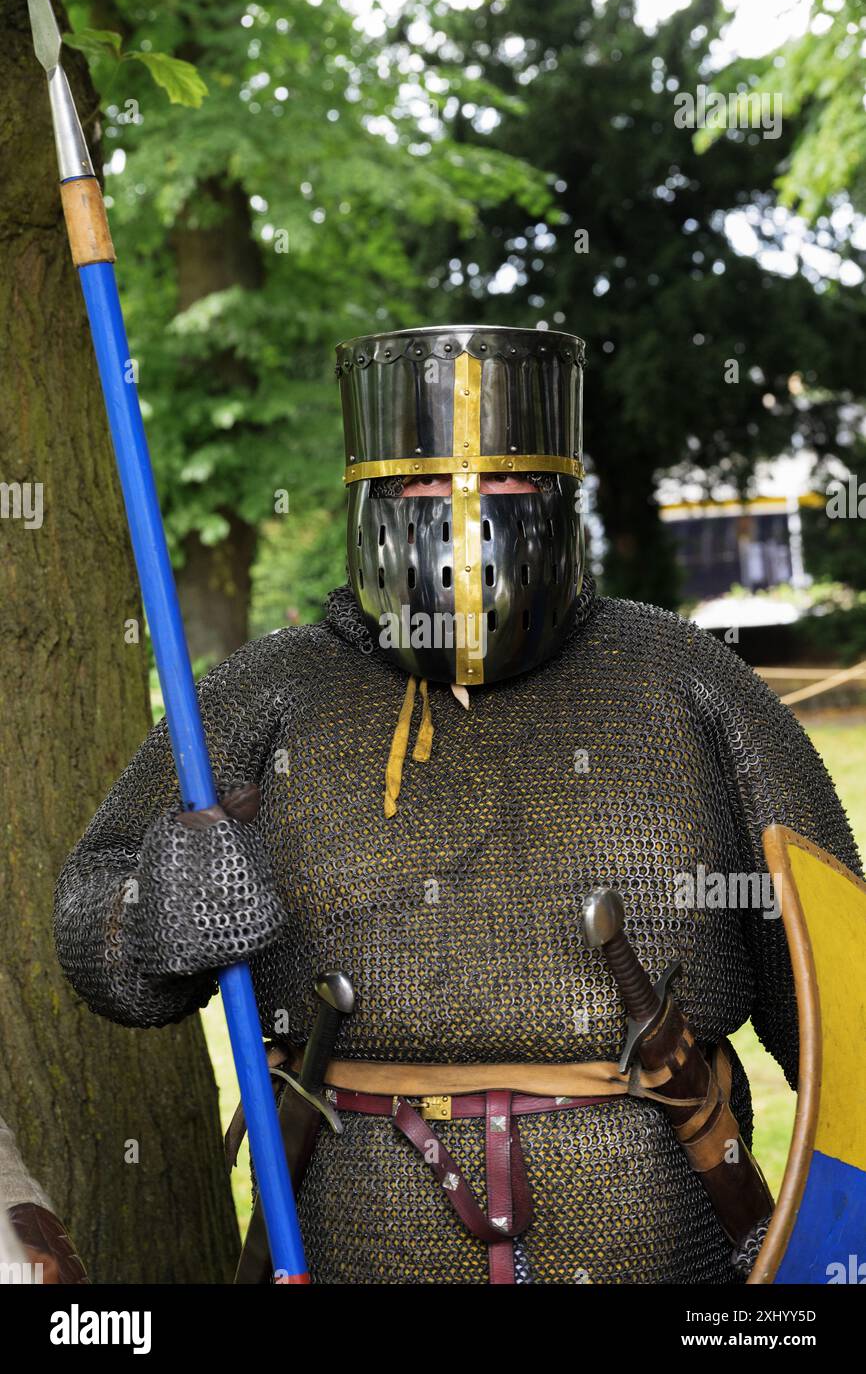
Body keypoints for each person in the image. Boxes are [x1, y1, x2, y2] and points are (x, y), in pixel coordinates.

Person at [55, 325, 858, 1284]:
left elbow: (837, 1002)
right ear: (373, 502)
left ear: (560, 498)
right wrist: (155, 911)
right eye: (429, 489)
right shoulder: (270, 692)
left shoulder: (687, 680)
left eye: (506, 486)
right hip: (358, 1223)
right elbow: (95, 921)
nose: (468, 516)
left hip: (650, 1224)